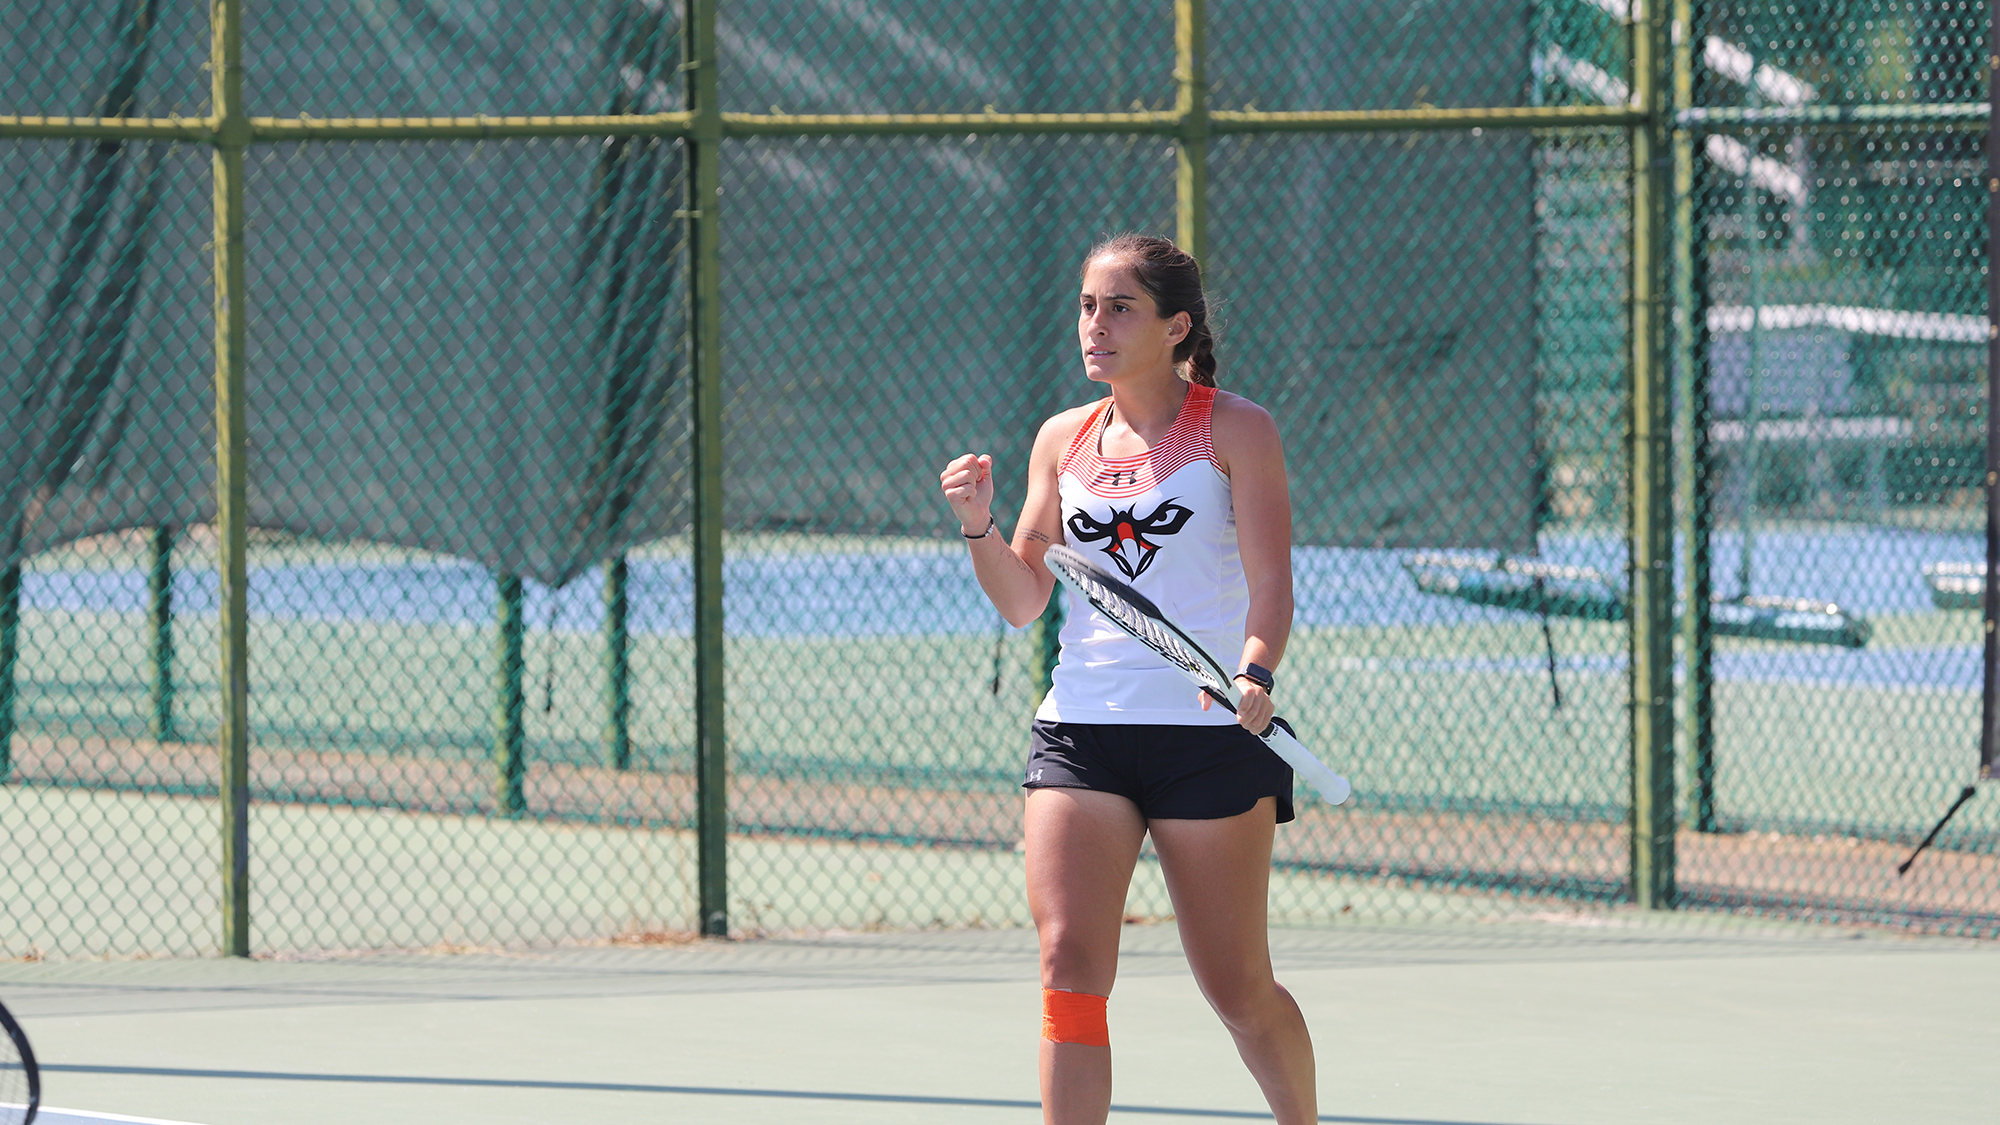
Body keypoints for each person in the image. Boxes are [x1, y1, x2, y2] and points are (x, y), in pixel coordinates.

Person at [938, 233, 1316, 1125]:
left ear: (1176, 325)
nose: (1094, 325)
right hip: (1080, 734)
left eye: (1119, 307)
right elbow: (1025, 598)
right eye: (1085, 305)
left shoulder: (1236, 429)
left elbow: (1272, 582)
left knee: (1237, 988)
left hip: (1208, 742)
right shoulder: (1061, 440)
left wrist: (1254, 671)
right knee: (1069, 966)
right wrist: (976, 526)